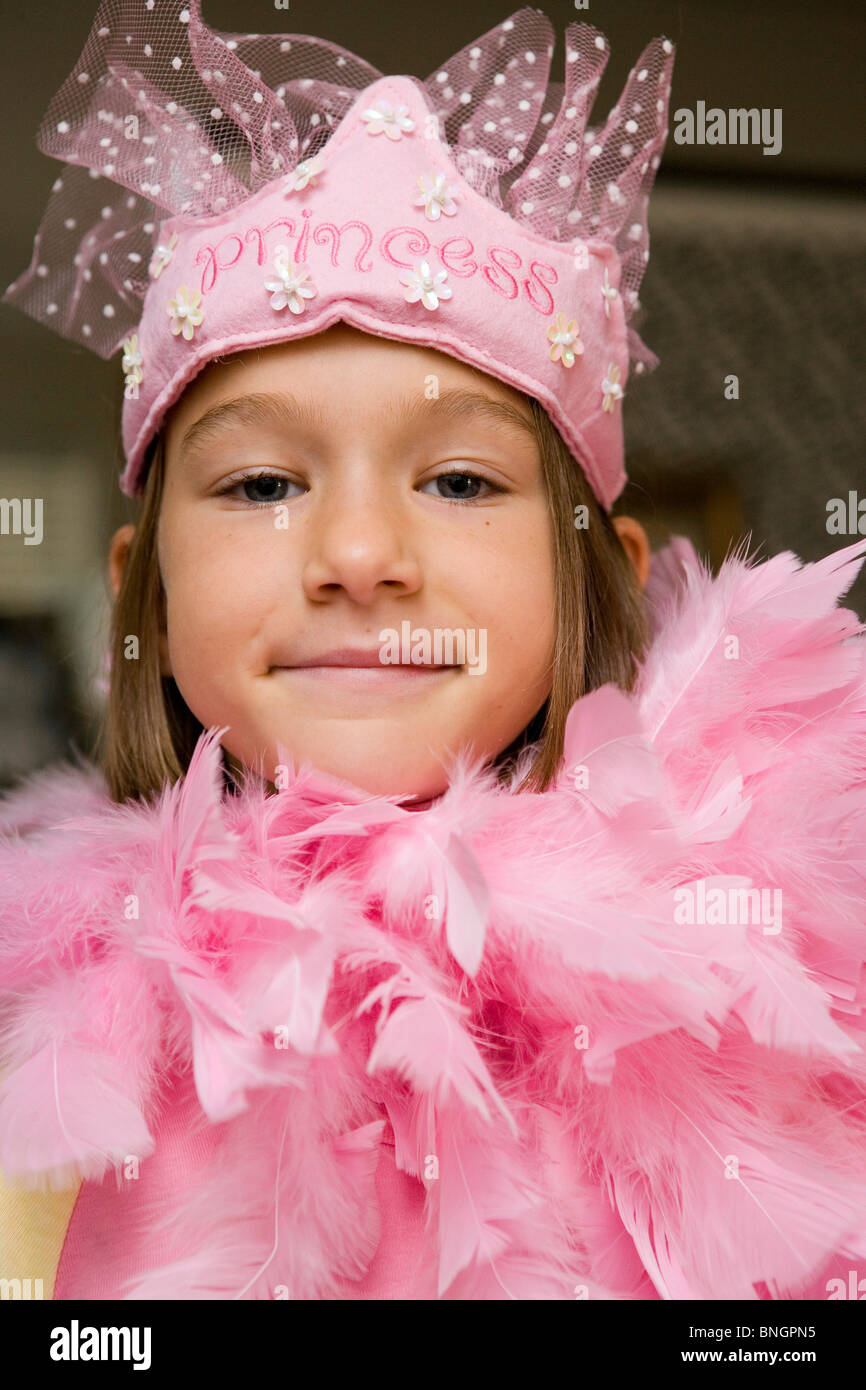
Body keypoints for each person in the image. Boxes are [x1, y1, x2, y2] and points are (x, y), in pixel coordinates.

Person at [0, 1, 864, 1302]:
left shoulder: (781, 1009)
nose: (357, 551)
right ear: (146, 596)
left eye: (459, 480)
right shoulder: (42, 1074)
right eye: (257, 484)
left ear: (609, 575)